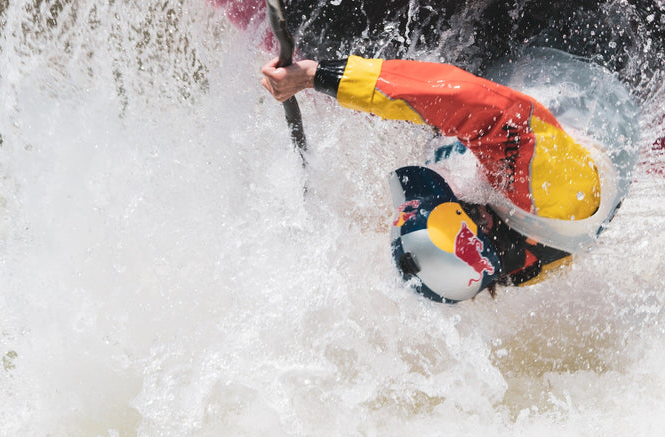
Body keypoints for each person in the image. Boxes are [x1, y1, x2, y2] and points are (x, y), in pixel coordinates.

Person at [261, 54, 632, 303]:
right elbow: (467, 101)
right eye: (446, 202)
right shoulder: (535, 187)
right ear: (482, 220)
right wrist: (319, 76)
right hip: (585, 55)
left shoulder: (493, 269)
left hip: (567, 112)